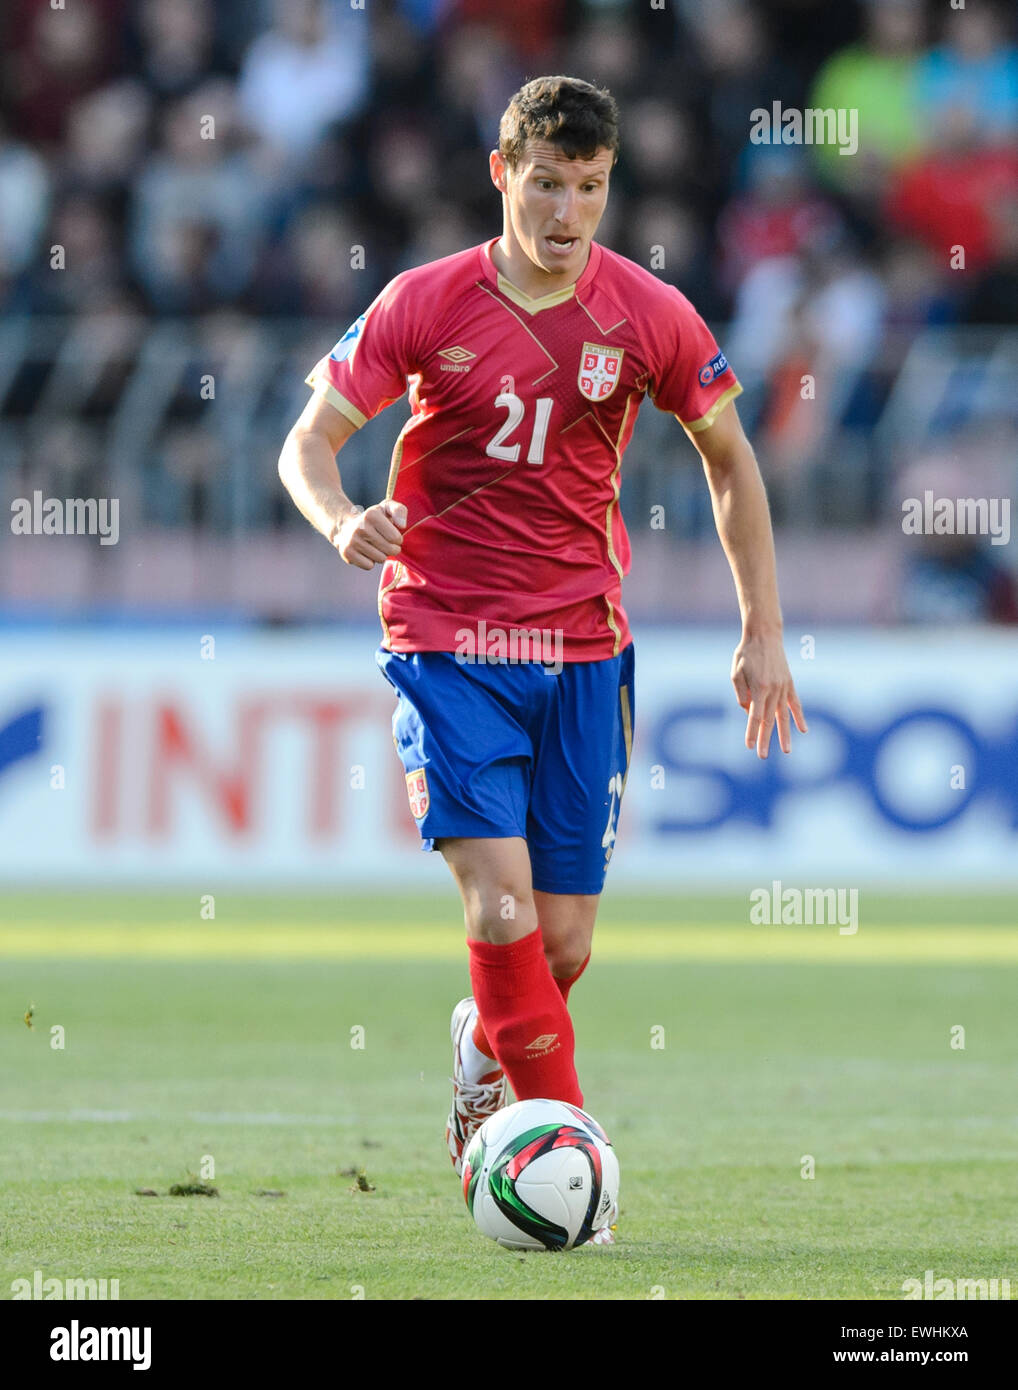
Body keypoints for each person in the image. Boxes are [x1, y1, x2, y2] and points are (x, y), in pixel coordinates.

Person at [277, 75, 806, 1242]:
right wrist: (339, 520)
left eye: (593, 188)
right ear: (502, 175)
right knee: (501, 902)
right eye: (550, 183)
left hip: (581, 648)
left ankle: (482, 1048)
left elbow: (731, 463)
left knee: (560, 943)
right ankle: (565, 1165)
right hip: (445, 638)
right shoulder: (424, 302)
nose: (570, 212)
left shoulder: (649, 315)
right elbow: (307, 440)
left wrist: (761, 627)